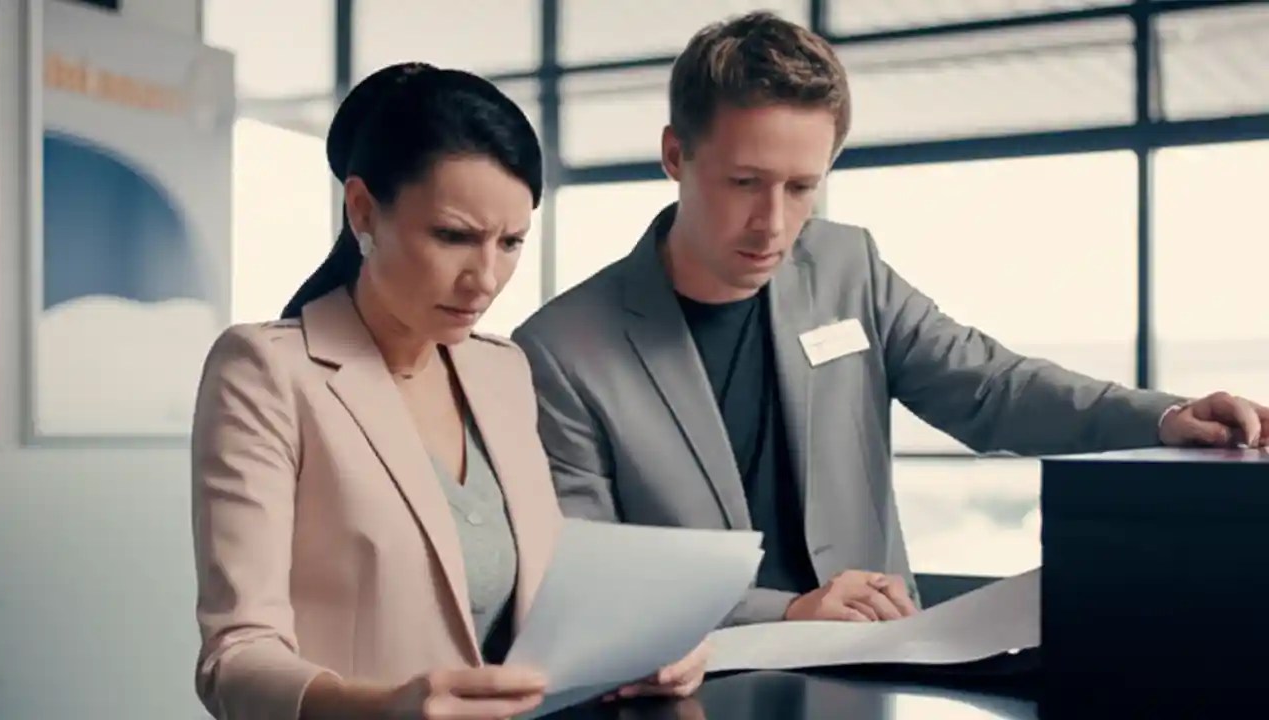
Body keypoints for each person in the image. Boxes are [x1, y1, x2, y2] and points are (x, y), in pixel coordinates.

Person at [512, 11, 1269, 628]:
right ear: (676, 154)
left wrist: (1163, 419)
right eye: (744, 182)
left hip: (881, 657)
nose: (773, 223)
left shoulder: (848, 268)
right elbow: (591, 568)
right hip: (690, 682)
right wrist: (787, 612)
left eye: (802, 187)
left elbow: (991, 388)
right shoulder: (561, 351)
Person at [191, 63, 706, 720]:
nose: (485, 278)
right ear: (363, 210)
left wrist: (654, 644)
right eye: (453, 236)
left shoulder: (502, 370)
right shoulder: (265, 372)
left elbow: (543, 600)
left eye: (510, 242)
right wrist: (382, 708)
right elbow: (234, 657)